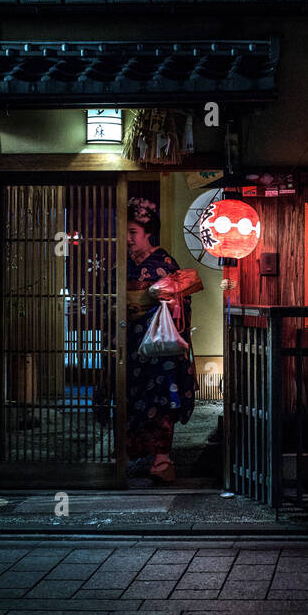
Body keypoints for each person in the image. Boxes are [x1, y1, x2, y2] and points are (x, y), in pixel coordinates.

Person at [124, 197, 196, 483]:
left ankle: (161, 460)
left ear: (147, 234)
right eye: (126, 233)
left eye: (133, 233)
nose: (128, 240)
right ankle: (135, 458)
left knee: (162, 402)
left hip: (160, 348)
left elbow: (183, 302)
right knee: (131, 399)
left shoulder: (165, 263)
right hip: (130, 345)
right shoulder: (124, 265)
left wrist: (166, 300)